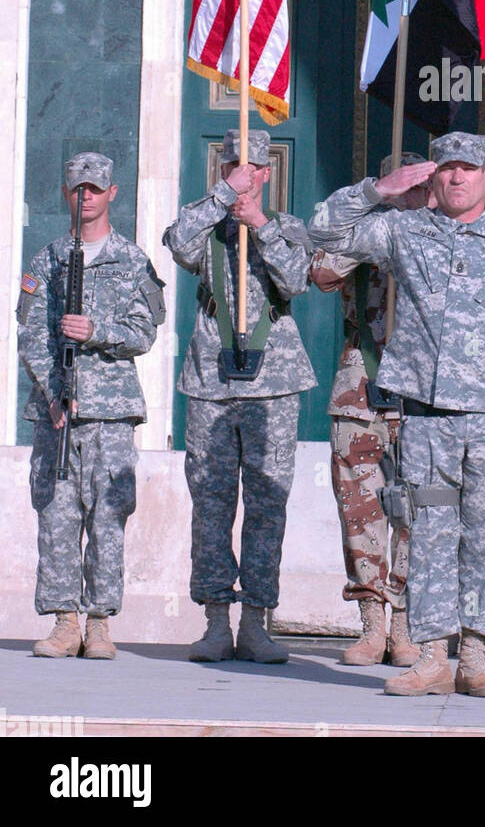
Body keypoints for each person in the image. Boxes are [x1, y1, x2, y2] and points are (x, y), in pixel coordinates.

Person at [307, 132, 485, 697]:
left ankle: (474, 657)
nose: (455, 179)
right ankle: (430, 657)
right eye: (446, 169)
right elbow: (323, 230)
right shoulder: (403, 231)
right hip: (426, 417)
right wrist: (379, 189)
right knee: (427, 534)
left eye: (468, 170)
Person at [163, 128, 315, 664]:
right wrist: (225, 200)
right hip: (211, 380)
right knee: (210, 503)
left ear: (267, 172)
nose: (242, 173)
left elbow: (297, 281)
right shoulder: (204, 224)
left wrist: (262, 228)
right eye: (232, 165)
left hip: (273, 383)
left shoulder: (288, 228)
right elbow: (176, 241)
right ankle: (214, 621)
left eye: (251, 165)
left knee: (267, 504)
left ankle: (256, 620)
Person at [19, 152, 166, 659]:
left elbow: (145, 332)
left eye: (95, 189)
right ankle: (64, 621)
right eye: (78, 188)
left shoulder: (132, 261)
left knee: (108, 515)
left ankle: (100, 621)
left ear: (112, 194)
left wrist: (97, 332)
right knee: (57, 515)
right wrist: (53, 389)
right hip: (58, 411)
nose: (86, 197)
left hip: (111, 408)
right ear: (67, 193)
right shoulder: (47, 260)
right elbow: (31, 333)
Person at [309, 151, 430, 668]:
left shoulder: (441, 236)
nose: (411, 197)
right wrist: (375, 204)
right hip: (362, 386)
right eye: (402, 187)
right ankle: (371, 624)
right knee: (361, 510)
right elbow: (321, 269)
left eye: (419, 187)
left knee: (418, 513)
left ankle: (405, 625)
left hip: (426, 394)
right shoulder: (365, 235)